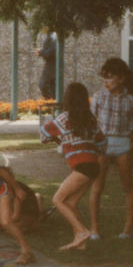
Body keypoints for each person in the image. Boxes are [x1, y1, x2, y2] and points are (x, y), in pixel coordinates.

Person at [40, 82, 102, 250]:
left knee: (58, 200)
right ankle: (80, 242)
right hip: (94, 167)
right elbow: (103, 142)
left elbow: (44, 134)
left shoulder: (63, 118)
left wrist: (56, 137)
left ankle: (82, 231)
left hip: (82, 167)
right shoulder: (91, 120)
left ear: (67, 99)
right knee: (71, 202)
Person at [88, 58, 133, 240]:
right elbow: (91, 122)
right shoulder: (98, 97)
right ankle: (94, 229)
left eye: (110, 78)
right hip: (103, 145)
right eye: (104, 78)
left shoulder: (131, 100)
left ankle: (128, 228)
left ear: (121, 79)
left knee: (128, 186)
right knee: (97, 186)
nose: (106, 82)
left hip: (123, 145)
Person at [36, 28, 57, 100]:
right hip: (51, 64)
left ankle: (50, 101)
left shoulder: (54, 36)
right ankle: (52, 101)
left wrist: (41, 52)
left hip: (52, 64)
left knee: (43, 84)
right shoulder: (51, 36)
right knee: (52, 85)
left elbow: (51, 52)